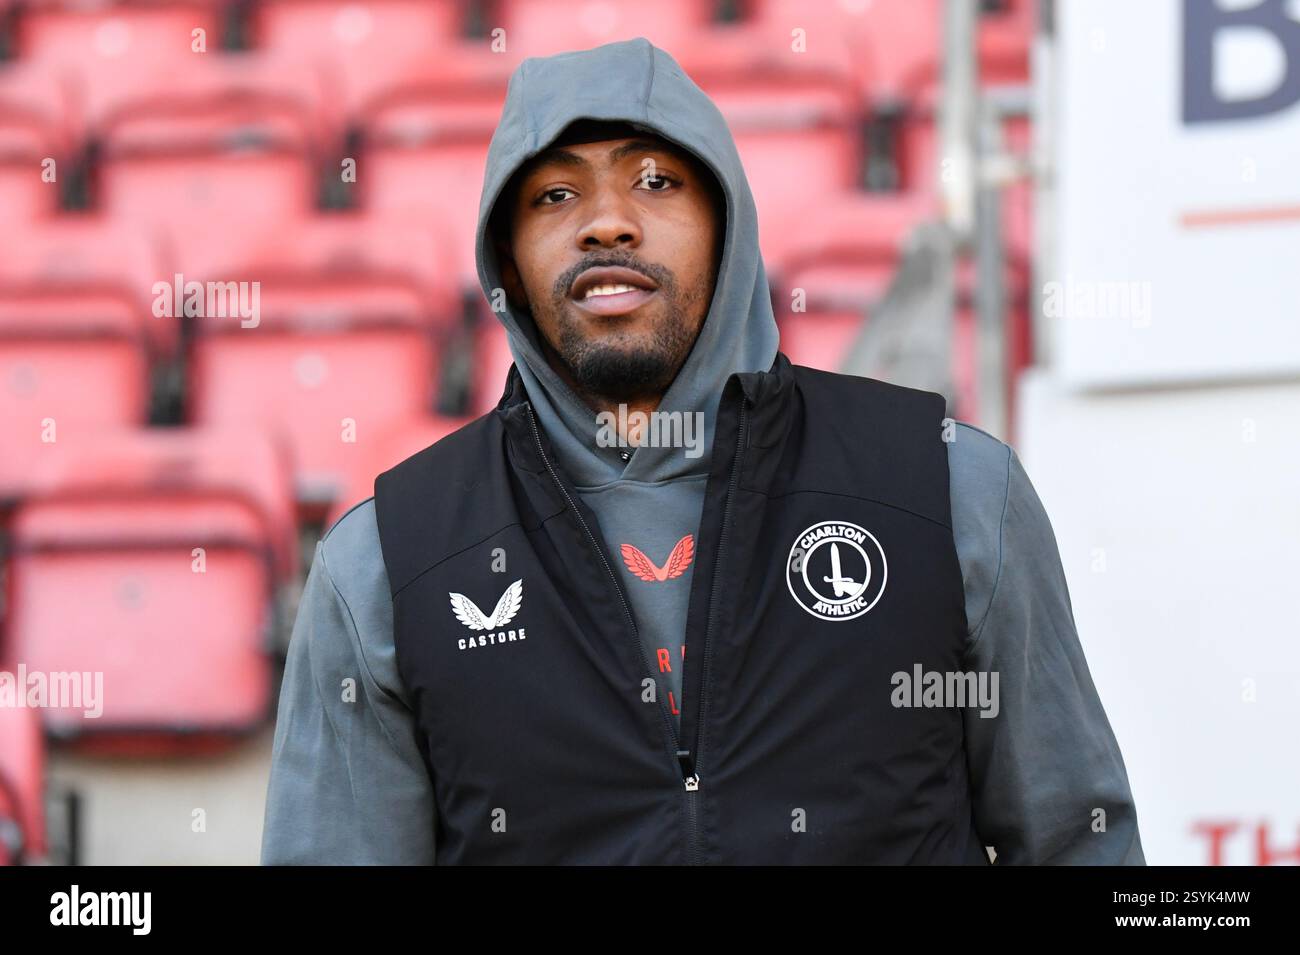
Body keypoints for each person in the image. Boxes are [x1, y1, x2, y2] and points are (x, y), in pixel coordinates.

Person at [260, 37, 1144, 865]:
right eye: (555, 196)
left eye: (655, 182)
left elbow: (1077, 838)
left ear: (729, 225)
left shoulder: (949, 490)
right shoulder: (388, 564)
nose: (606, 223)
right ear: (507, 258)